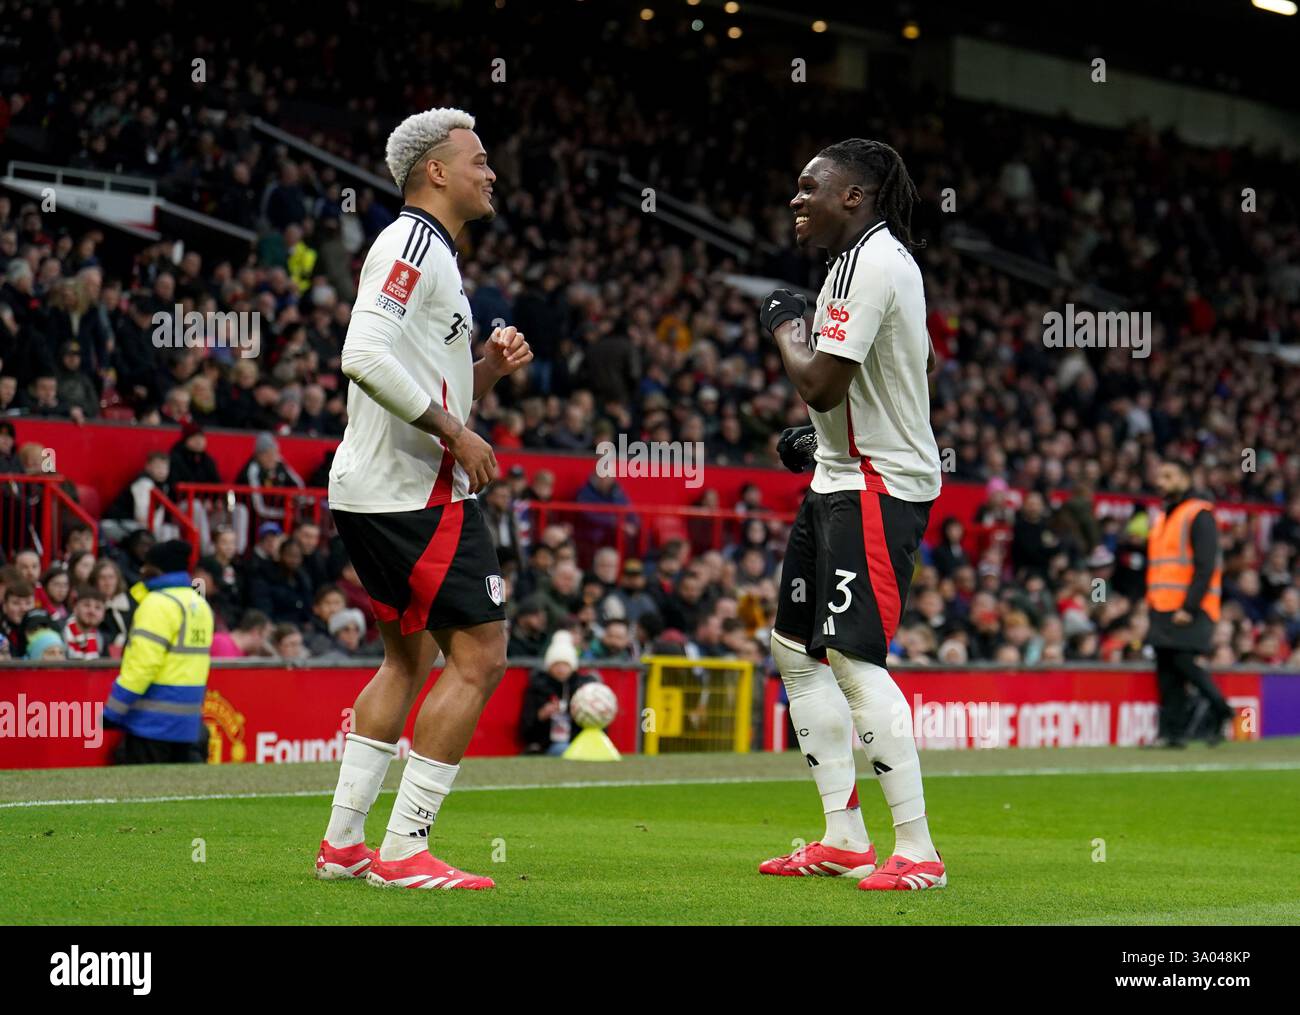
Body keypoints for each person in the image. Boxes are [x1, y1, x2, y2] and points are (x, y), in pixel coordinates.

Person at [316, 107, 533, 891]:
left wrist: (487, 371)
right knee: (481, 656)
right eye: (477, 159)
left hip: (370, 485)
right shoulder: (411, 242)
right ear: (436, 171)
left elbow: (415, 369)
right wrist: (457, 432)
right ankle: (406, 849)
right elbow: (362, 352)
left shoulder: (429, 251)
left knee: (405, 660)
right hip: (414, 491)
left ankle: (344, 844)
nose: (490, 172)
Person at [756, 139, 945, 891]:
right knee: (795, 650)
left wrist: (785, 327)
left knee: (855, 658)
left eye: (811, 188)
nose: (797, 199)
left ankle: (919, 850)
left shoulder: (874, 262)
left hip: (877, 484)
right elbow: (920, 362)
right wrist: (826, 438)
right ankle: (842, 835)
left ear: (855, 196)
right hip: (840, 472)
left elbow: (823, 382)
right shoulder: (853, 261)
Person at [1144, 458, 1234, 747]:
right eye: (1160, 475)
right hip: (1161, 605)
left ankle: (1221, 709)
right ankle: (1171, 733)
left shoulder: (1199, 514)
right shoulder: (1161, 518)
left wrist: (1189, 607)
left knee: (1183, 661)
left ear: (1186, 478)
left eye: (1168, 475)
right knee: (1166, 668)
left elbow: (1206, 566)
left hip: (1190, 607)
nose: (1161, 482)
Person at [101, 540, 213, 764]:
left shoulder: (157, 604)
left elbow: (142, 667)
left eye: (146, 564)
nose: (142, 570)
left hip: (151, 723)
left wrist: (112, 712)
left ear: (158, 568)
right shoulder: (199, 604)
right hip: (188, 722)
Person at [519, 630, 598, 755]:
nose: (561, 669)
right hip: (545, 745)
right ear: (549, 666)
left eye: (565, 664)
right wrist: (541, 716)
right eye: (556, 664)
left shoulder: (583, 690)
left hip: (578, 741)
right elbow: (525, 731)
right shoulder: (537, 689)